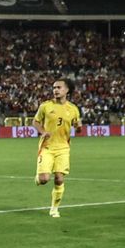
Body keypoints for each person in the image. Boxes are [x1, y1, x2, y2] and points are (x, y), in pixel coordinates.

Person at [33, 79, 83, 218]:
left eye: (59, 87)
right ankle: (38, 178)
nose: (55, 90)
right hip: (47, 147)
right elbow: (35, 121)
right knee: (44, 179)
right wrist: (43, 131)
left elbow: (78, 127)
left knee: (59, 178)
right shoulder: (46, 106)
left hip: (63, 148)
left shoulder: (73, 109)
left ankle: (54, 209)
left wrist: (79, 128)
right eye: (54, 87)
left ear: (67, 90)